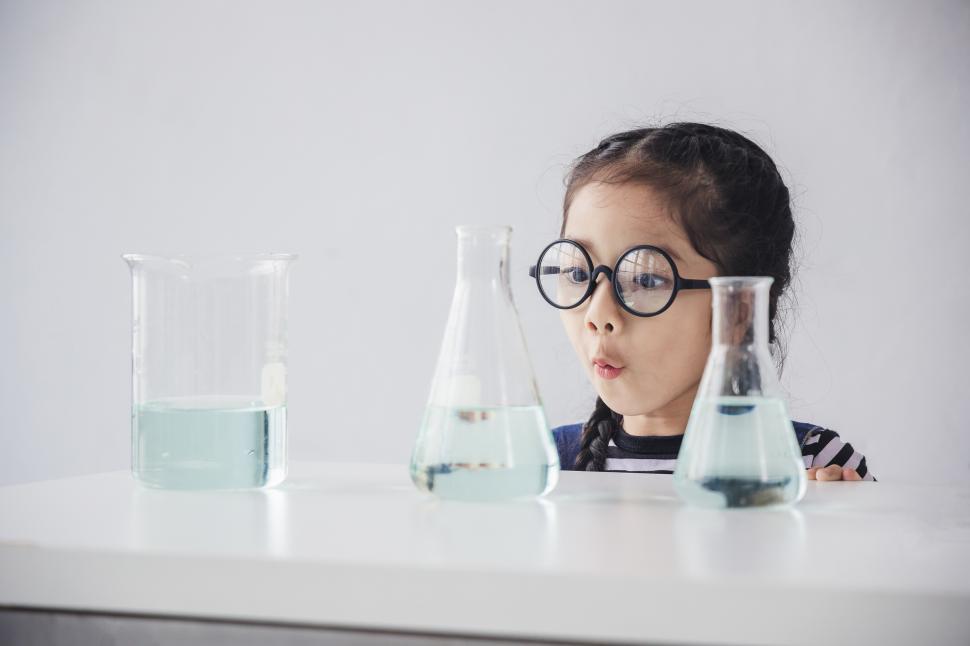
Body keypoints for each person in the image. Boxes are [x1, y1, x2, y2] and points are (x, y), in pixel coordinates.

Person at [532, 123, 874, 481]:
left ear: (740, 308)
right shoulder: (541, 465)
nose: (598, 314)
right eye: (578, 273)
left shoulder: (810, 464)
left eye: (646, 279)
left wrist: (840, 512)